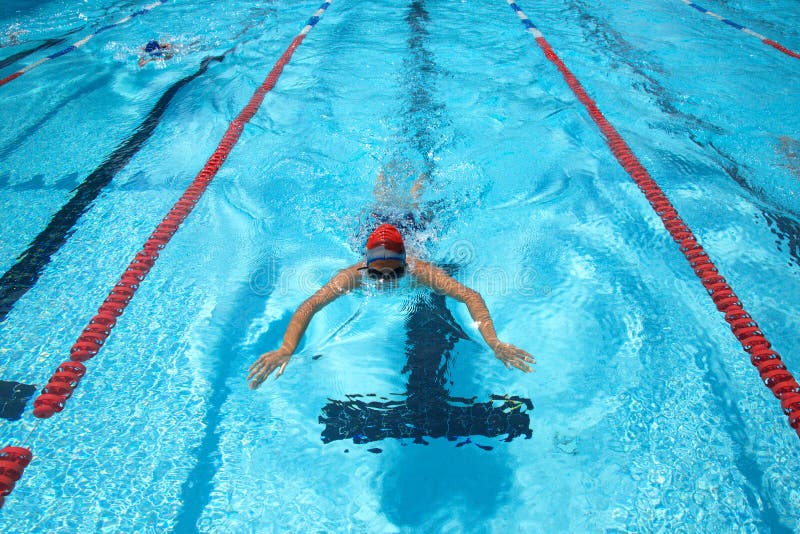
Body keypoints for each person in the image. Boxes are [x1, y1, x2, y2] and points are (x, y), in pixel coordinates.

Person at [247, 170, 536, 389]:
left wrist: (494, 342)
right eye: (377, 274)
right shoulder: (352, 275)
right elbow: (310, 305)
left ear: (404, 265)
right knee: (382, 198)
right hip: (373, 228)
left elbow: (470, 295)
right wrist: (286, 348)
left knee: (414, 203)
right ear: (366, 266)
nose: (384, 281)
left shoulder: (420, 270)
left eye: (393, 273)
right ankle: (387, 170)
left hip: (409, 229)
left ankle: (423, 176)